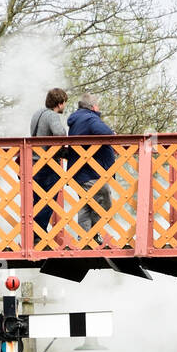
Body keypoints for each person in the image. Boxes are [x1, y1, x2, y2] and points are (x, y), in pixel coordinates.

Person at [66, 92, 115, 244]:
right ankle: (91, 234)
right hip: (90, 170)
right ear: (93, 106)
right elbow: (106, 133)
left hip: (82, 170)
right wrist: (113, 133)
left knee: (86, 203)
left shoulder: (77, 119)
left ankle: (86, 237)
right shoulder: (89, 118)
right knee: (103, 197)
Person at [29, 87, 69, 245]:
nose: (64, 107)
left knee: (37, 200)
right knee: (49, 198)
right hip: (46, 162)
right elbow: (61, 135)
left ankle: (34, 232)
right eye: (64, 103)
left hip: (32, 162)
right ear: (60, 103)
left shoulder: (37, 114)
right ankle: (38, 232)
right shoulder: (52, 116)